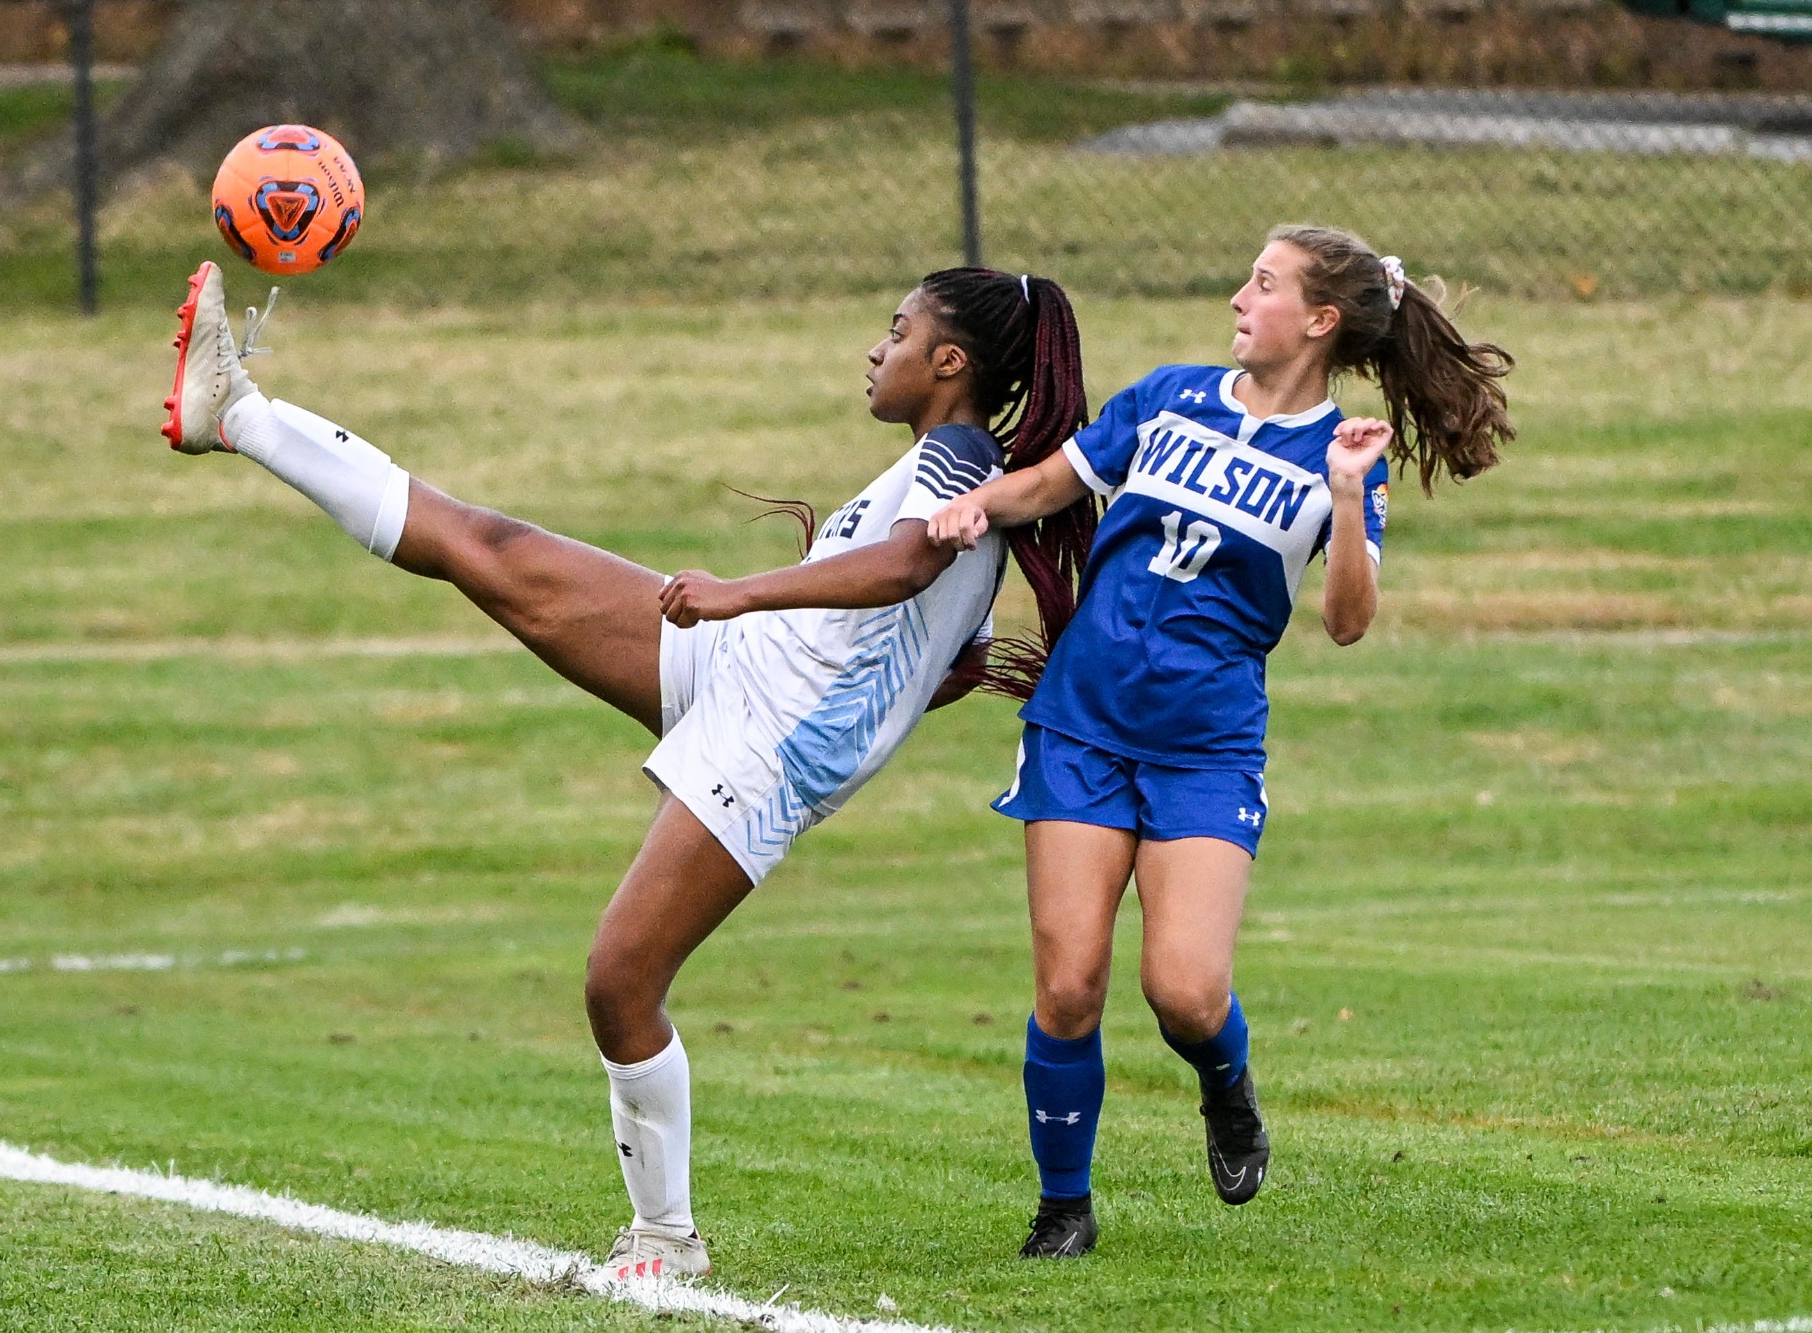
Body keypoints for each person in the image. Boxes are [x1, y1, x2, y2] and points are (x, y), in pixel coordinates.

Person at [157, 260, 1093, 1280]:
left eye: (898, 330)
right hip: (739, 675)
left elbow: (908, 565)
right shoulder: (946, 458)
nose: (878, 348)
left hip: (770, 739)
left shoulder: (959, 458)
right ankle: (238, 411)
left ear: (947, 361)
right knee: (491, 548)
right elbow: (917, 619)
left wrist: (738, 594)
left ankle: (663, 1241)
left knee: (619, 981)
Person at [927, 225, 1515, 1258]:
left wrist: (1341, 495)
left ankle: (1224, 1086)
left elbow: (1344, 620)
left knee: (1184, 990)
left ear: (1318, 321)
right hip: (1078, 724)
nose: (1237, 297)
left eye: (1262, 283)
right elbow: (1047, 486)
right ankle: (1062, 1208)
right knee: (1067, 985)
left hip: (1204, 749)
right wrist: (969, 508)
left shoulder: (1342, 456)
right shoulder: (1165, 397)